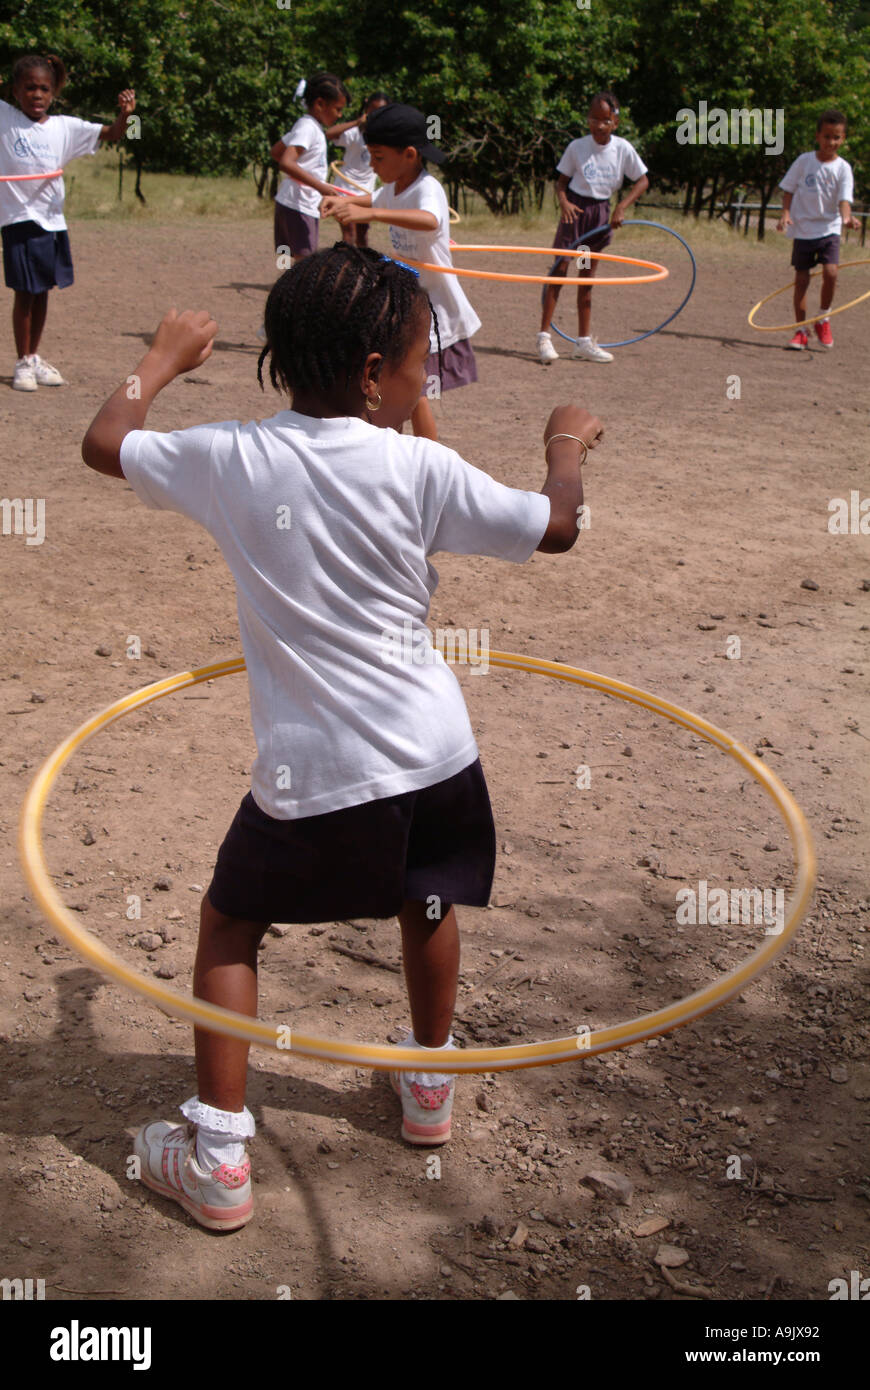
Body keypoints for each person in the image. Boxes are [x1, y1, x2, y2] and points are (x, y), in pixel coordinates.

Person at [81, 243, 603, 1232]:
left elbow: (107, 442)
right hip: (437, 751)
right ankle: (428, 1086)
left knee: (233, 923)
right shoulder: (422, 468)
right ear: (375, 376)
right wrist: (567, 441)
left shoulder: (230, 456)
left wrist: (158, 361)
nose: (428, 377)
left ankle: (221, 1157)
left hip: (312, 767)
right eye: (421, 360)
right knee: (429, 896)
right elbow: (558, 527)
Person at [321, 103, 480, 442]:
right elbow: (372, 198)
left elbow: (431, 220)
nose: (373, 166)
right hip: (409, 305)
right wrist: (340, 201)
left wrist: (374, 214)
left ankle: (427, 463)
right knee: (402, 390)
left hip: (435, 308)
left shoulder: (427, 188)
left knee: (415, 393)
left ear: (408, 154)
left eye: (378, 158)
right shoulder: (393, 188)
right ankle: (397, 454)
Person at [0, 53, 134, 391]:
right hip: (18, 219)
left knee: (43, 290)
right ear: (15, 91)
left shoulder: (65, 126)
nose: (37, 95)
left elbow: (115, 134)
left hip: (52, 222)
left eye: (44, 89)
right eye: (29, 88)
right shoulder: (5, 119)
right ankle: (22, 363)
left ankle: (34, 356)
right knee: (24, 292)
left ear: (53, 92)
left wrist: (126, 115)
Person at [538, 91, 648, 366]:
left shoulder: (622, 149)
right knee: (560, 271)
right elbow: (561, 182)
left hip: (598, 218)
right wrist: (563, 203)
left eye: (605, 120)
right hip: (574, 215)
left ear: (615, 122)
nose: (598, 125)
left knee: (585, 277)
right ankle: (543, 338)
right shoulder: (577, 147)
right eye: (593, 119)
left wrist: (621, 206)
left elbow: (643, 181)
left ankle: (583, 343)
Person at [777, 109, 859, 351]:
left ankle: (823, 317)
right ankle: (801, 330)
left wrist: (847, 219)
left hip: (829, 227)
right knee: (801, 280)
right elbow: (788, 190)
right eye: (826, 137)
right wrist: (785, 214)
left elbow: (845, 200)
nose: (831, 142)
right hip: (803, 228)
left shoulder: (843, 168)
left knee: (831, 273)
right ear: (817, 136)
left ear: (843, 139)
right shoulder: (804, 161)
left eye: (836, 138)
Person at [268, 72, 348, 264]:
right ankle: (294, 292)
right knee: (305, 259)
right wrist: (321, 187)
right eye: (337, 109)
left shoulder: (305, 126)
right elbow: (286, 162)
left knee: (289, 254)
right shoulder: (308, 128)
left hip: (290, 201)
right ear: (320, 104)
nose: (340, 115)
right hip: (299, 204)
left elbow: (276, 152)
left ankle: (287, 289)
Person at [326, 91, 390, 248]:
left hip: (365, 192)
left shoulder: (386, 136)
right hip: (345, 190)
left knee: (362, 234)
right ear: (366, 110)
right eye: (372, 111)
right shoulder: (355, 133)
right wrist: (357, 122)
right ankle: (347, 268)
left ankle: (362, 268)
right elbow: (329, 133)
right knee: (349, 234)